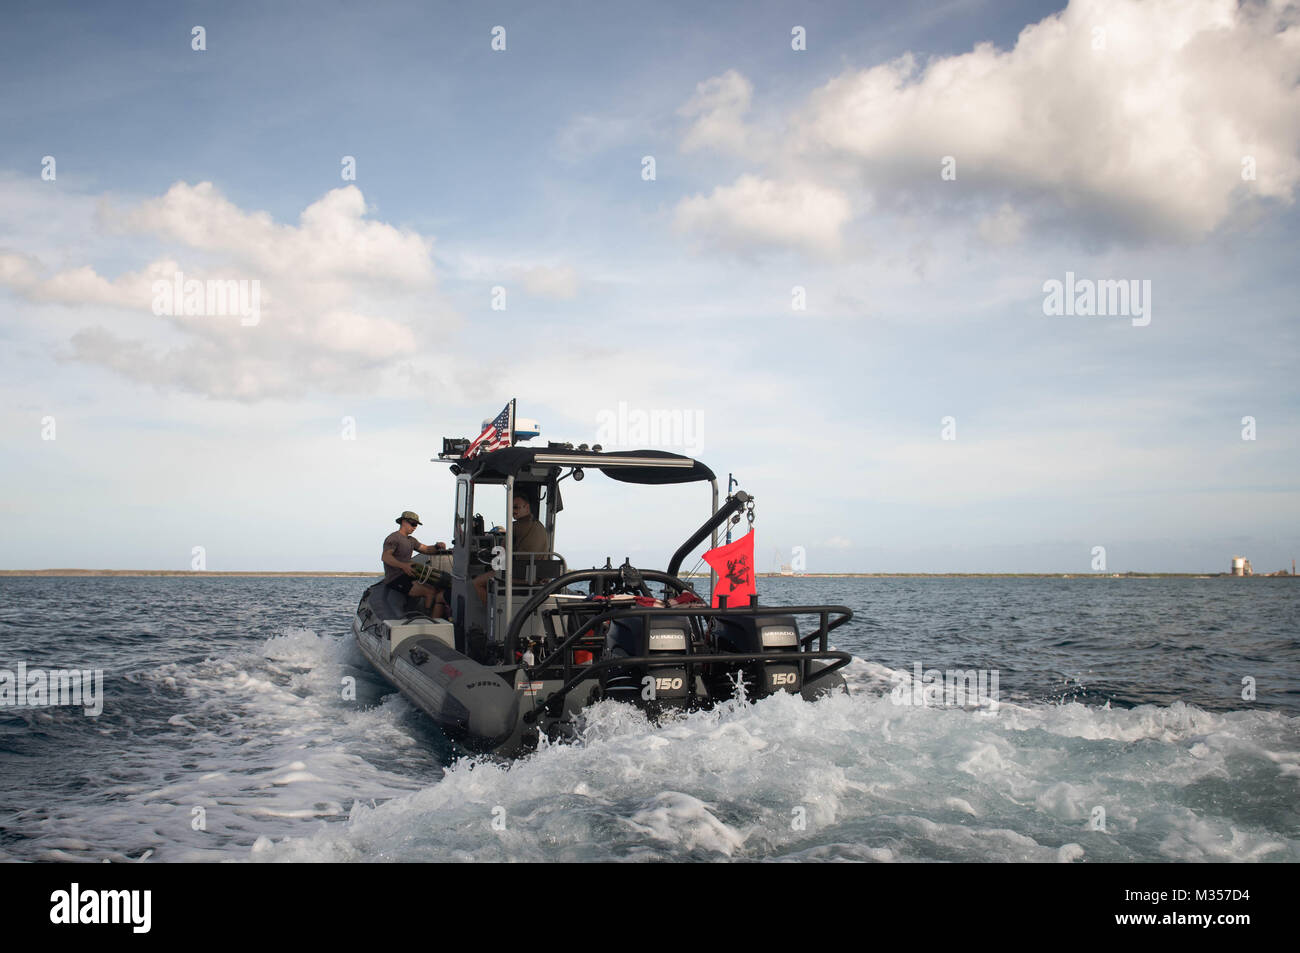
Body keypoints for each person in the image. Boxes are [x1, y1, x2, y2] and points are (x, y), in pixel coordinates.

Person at [473, 494, 548, 604]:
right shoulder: (541, 526)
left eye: (516, 507)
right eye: (511, 508)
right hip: (539, 577)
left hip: (520, 575)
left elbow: (501, 556)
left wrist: (489, 555)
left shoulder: (515, 526)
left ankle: (491, 617)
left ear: (527, 507)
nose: (513, 511)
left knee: (477, 582)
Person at [382, 511, 449, 617]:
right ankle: (427, 618)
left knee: (435, 588)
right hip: (396, 579)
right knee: (430, 593)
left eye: (416, 525)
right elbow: (385, 557)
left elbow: (426, 549)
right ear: (403, 522)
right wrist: (403, 566)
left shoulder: (411, 540)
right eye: (413, 524)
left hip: (407, 576)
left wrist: (437, 546)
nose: (415, 527)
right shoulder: (393, 538)